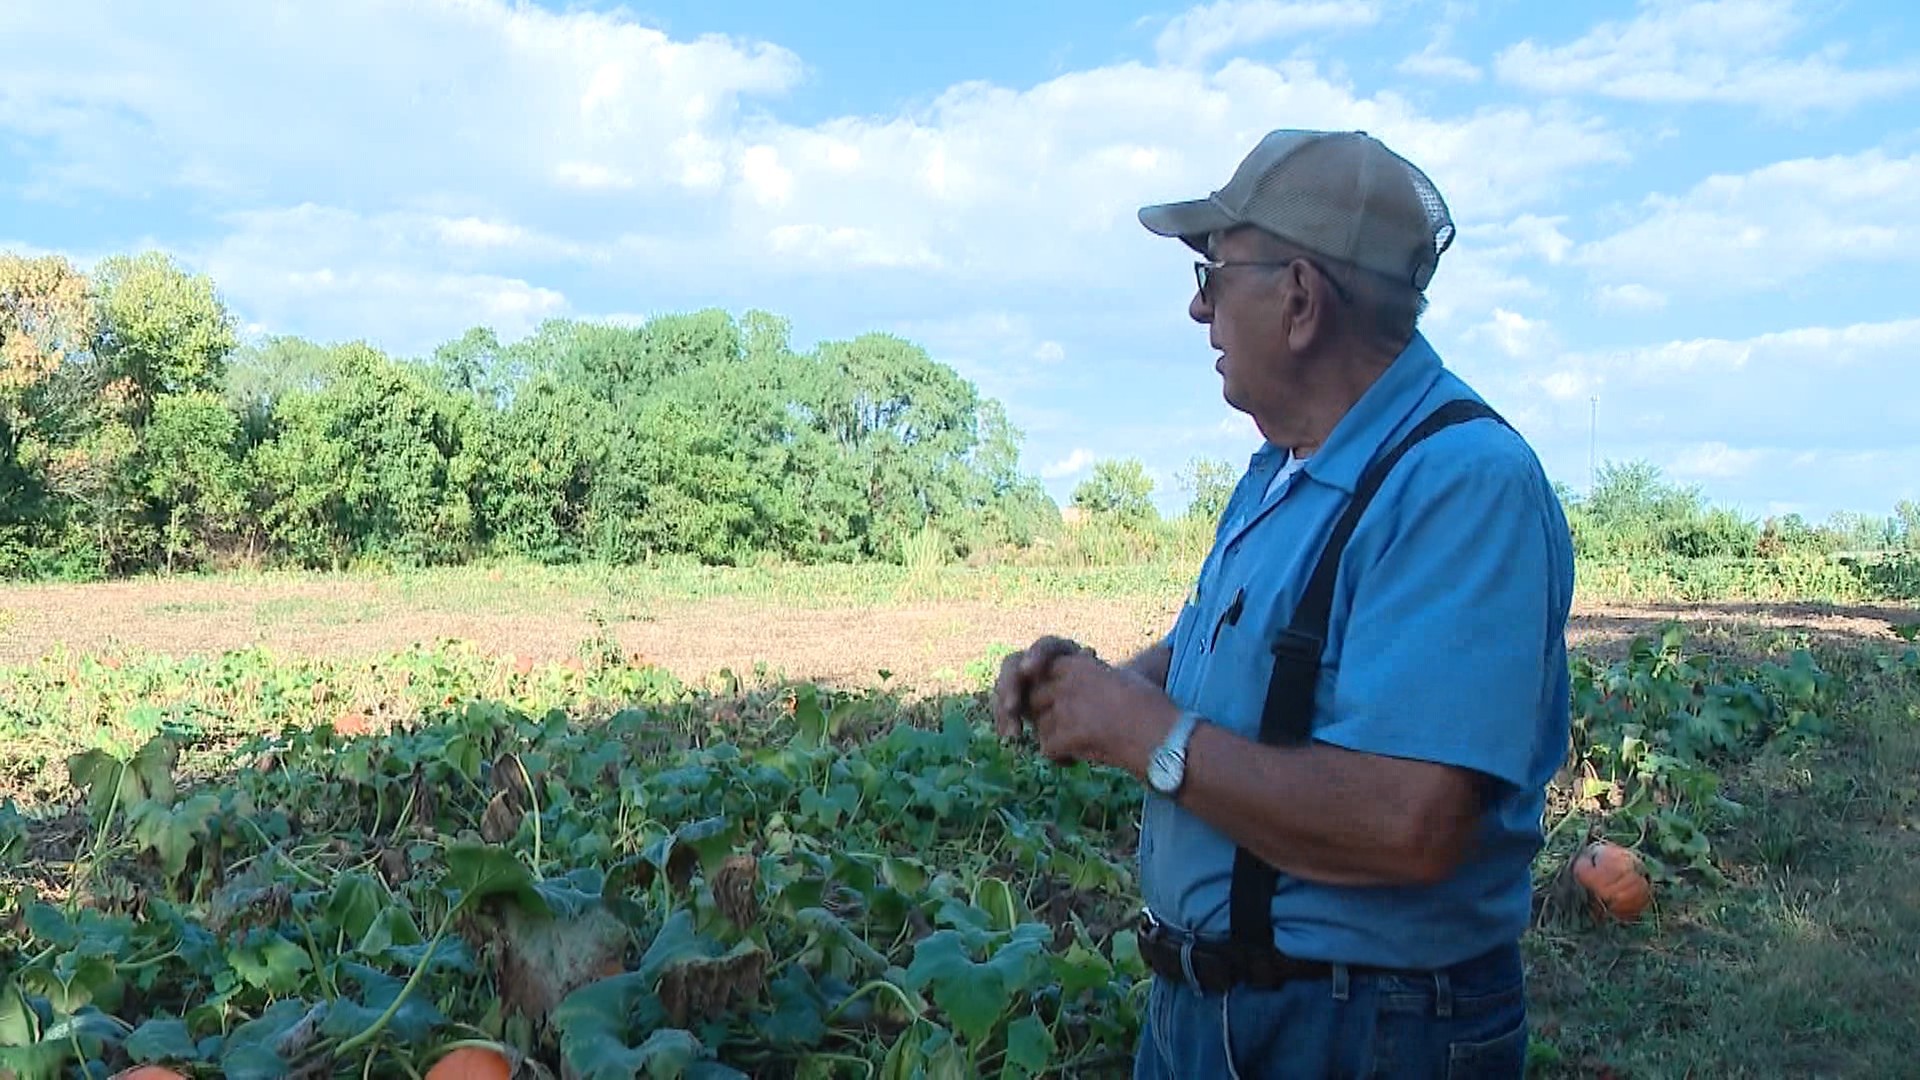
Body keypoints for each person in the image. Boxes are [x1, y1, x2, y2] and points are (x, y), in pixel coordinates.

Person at [991, 129, 1575, 1078]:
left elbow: (1410, 824)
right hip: (1215, 1010)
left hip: (1363, 1029)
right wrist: (1093, 686)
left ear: (1300, 299)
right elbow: (1227, 657)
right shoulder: (1283, 466)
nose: (1199, 306)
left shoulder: (1462, 484)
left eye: (1215, 274)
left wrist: (1147, 735)